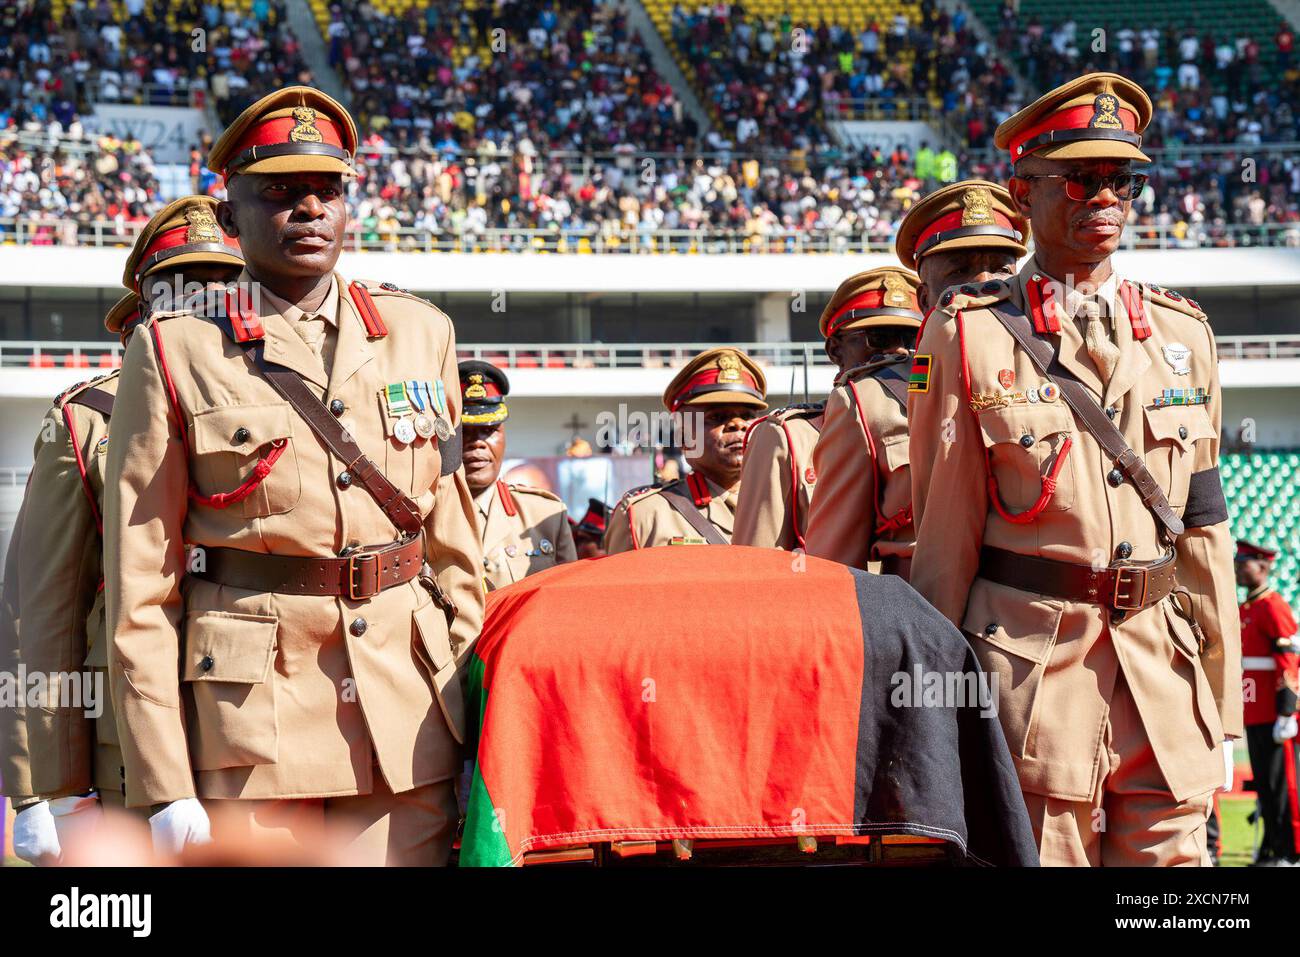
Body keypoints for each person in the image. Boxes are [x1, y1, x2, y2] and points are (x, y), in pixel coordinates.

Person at [104, 87, 485, 866]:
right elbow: (142, 586)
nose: (309, 209)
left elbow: (455, 548)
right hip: (253, 731)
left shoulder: (422, 334)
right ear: (232, 210)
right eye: (279, 191)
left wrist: (477, 707)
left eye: (328, 190)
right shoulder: (178, 350)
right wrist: (164, 779)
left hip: (408, 719)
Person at [909, 72, 1240, 866]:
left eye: (1122, 179)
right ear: (1024, 193)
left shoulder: (1183, 334)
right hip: (1033, 694)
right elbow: (945, 543)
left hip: (1165, 687)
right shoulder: (968, 335)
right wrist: (935, 713)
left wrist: (1222, 707)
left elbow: (1204, 530)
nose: (1106, 195)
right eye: (1081, 178)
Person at [1, 197, 245, 864]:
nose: (203, 304)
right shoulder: (85, 423)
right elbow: (38, 613)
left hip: (263, 731)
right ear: (142, 311)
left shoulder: (280, 402)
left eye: (221, 286)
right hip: (127, 752)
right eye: (182, 287)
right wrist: (43, 789)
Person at [802, 268, 924, 576]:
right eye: (878, 338)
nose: (898, 351)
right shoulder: (853, 404)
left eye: (911, 338)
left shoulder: (954, 387)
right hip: (911, 605)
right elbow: (833, 564)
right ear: (835, 350)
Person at [604, 348, 767, 552]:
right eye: (717, 417)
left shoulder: (790, 506)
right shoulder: (644, 516)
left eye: (747, 416)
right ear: (683, 437)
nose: (738, 425)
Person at [459, 359, 575, 591]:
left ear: (504, 436)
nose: (478, 443)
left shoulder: (545, 514)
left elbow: (567, 603)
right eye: (465, 432)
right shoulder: (420, 518)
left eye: (489, 430)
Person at [1235, 540, 1300, 866]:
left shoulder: (1273, 606)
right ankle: (1274, 848)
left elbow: (1288, 659)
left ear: (1262, 566)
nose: (1237, 566)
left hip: (1274, 713)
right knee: (1265, 786)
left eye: (1243, 562)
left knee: (1282, 787)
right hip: (1254, 711)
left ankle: (1290, 851)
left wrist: (1287, 710)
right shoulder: (1247, 608)